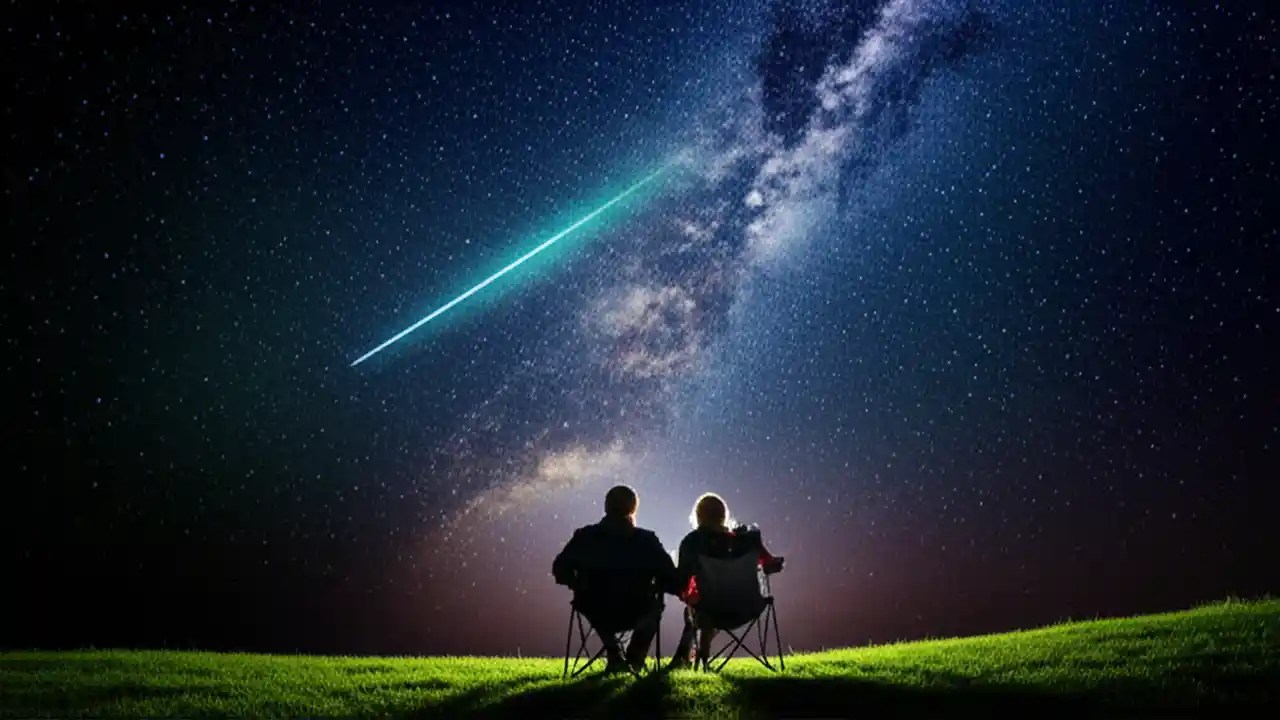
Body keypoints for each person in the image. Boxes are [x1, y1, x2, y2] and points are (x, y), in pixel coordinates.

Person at [552, 484, 678, 673]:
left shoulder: (585, 536)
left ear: (606, 507)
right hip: (637, 608)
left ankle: (613, 651)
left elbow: (559, 569)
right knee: (656, 606)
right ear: (633, 509)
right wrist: (661, 586)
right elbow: (671, 578)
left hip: (595, 608)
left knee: (595, 602)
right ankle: (635, 656)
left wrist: (576, 583)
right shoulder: (646, 540)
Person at [669, 492, 784, 668]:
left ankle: (686, 657)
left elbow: (681, 583)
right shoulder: (746, 540)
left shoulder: (692, 543)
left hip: (710, 611)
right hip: (749, 607)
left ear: (698, 517)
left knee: (696, 610)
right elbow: (772, 565)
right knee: (706, 607)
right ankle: (698, 652)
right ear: (724, 516)